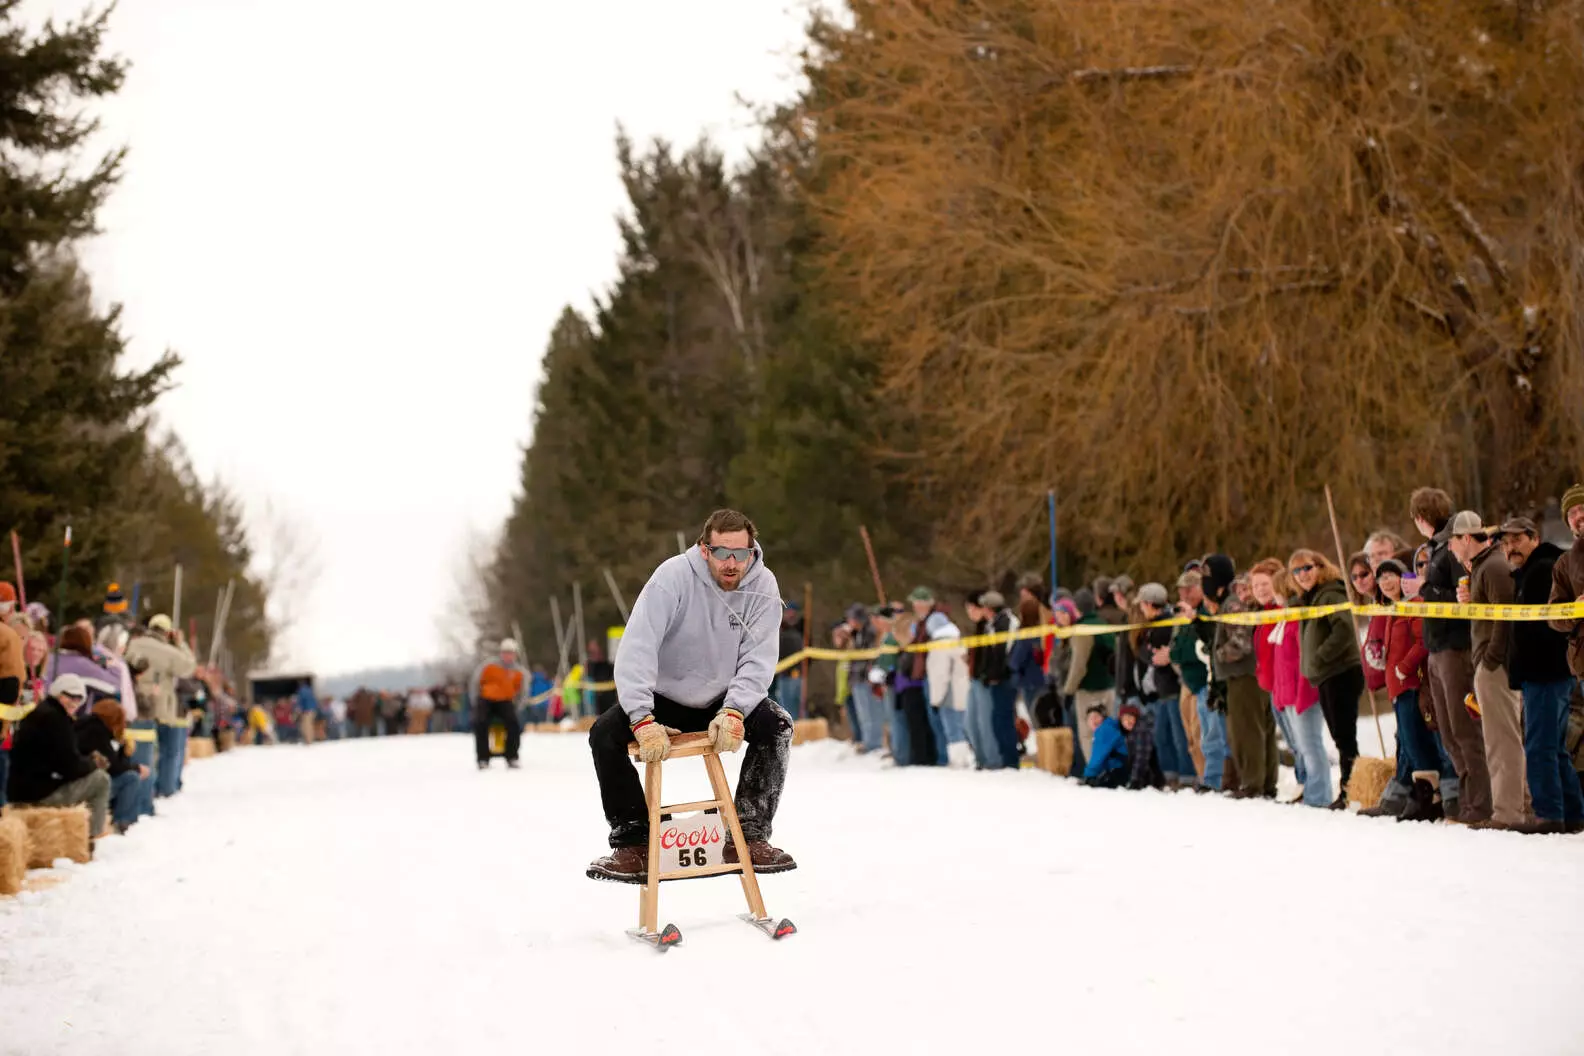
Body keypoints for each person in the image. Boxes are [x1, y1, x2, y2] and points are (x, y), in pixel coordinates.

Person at [586, 509, 795, 883]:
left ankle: (748, 836)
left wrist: (735, 710)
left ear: (753, 551)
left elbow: (758, 657)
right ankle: (634, 844)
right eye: (722, 553)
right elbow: (638, 647)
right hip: (665, 697)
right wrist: (641, 717)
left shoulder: (763, 585)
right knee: (603, 733)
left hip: (723, 698)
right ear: (704, 549)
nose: (732, 563)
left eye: (741, 554)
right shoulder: (672, 578)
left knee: (777, 725)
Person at [1501, 515, 1584, 833]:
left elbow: (1550, 625)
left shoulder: (1541, 569)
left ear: (1534, 538)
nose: (1511, 548)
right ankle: (1573, 813)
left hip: (1547, 672)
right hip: (1546, 672)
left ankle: (1549, 815)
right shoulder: (1530, 571)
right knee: (1554, 746)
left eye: (1517, 540)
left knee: (1539, 746)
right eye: (1506, 544)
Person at [1289, 550, 1361, 809]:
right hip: (1326, 675)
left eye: (1307, 568)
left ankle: (1351, 788)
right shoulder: (1310, 598)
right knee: (1339, 735)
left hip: (1340, 672)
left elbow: (1343, 630)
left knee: (1344, 736)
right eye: (1296, 571)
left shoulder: (1330, 594)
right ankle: (1349, 787)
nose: (1302, 575)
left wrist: (1320, 657)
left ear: (1321, 566)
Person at [6, 674, 113, 844]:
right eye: (69, 696)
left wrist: (85, 762)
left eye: (79, 698)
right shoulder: (56, 720)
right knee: (101, 780)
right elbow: (71, 769)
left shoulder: (41, 712)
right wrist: (93, 763)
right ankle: (93, 837)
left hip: (19, 791)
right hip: (39, 795)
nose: (74, 702)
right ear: (57, 693)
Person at [125, 615, 197, 799]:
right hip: (162, 706)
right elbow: (189, 666)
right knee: (167, 751)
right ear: (168, 632)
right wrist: (181, 644)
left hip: (137, 703)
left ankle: (141, 792)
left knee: (142, 751)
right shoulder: (168, 651)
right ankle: (164, 789)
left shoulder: (134, 644)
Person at [75, 697, 148, 835]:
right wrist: (135, 766)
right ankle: (121, 823)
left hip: (79, 784)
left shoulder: (84, 725)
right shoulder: (98, 732)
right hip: (89, 788)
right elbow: (113, 767)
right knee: (131, 778)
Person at [469, 639, 526, 769]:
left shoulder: (519, 671)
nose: (508, 656)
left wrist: (518, 706)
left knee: (513, 724)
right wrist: (475, 701)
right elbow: (475, 683)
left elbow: (522, 691)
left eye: (511, 653)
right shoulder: (488, 666)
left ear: (515, 654)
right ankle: (483, 758)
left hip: (505, 701)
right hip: (486, 699)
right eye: (505, 652)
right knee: (481, 723)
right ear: (501, 653)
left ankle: (512, 756)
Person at [1082, 703, 1130, 788]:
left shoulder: (1103, 730)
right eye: (1090, 718)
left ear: (1103, 718)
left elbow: (1097, 758)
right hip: (1122, 770)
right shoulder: (1110, 727)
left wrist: (1088, 776)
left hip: (1119, 772)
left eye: (1096, 717)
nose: (1093, 721)